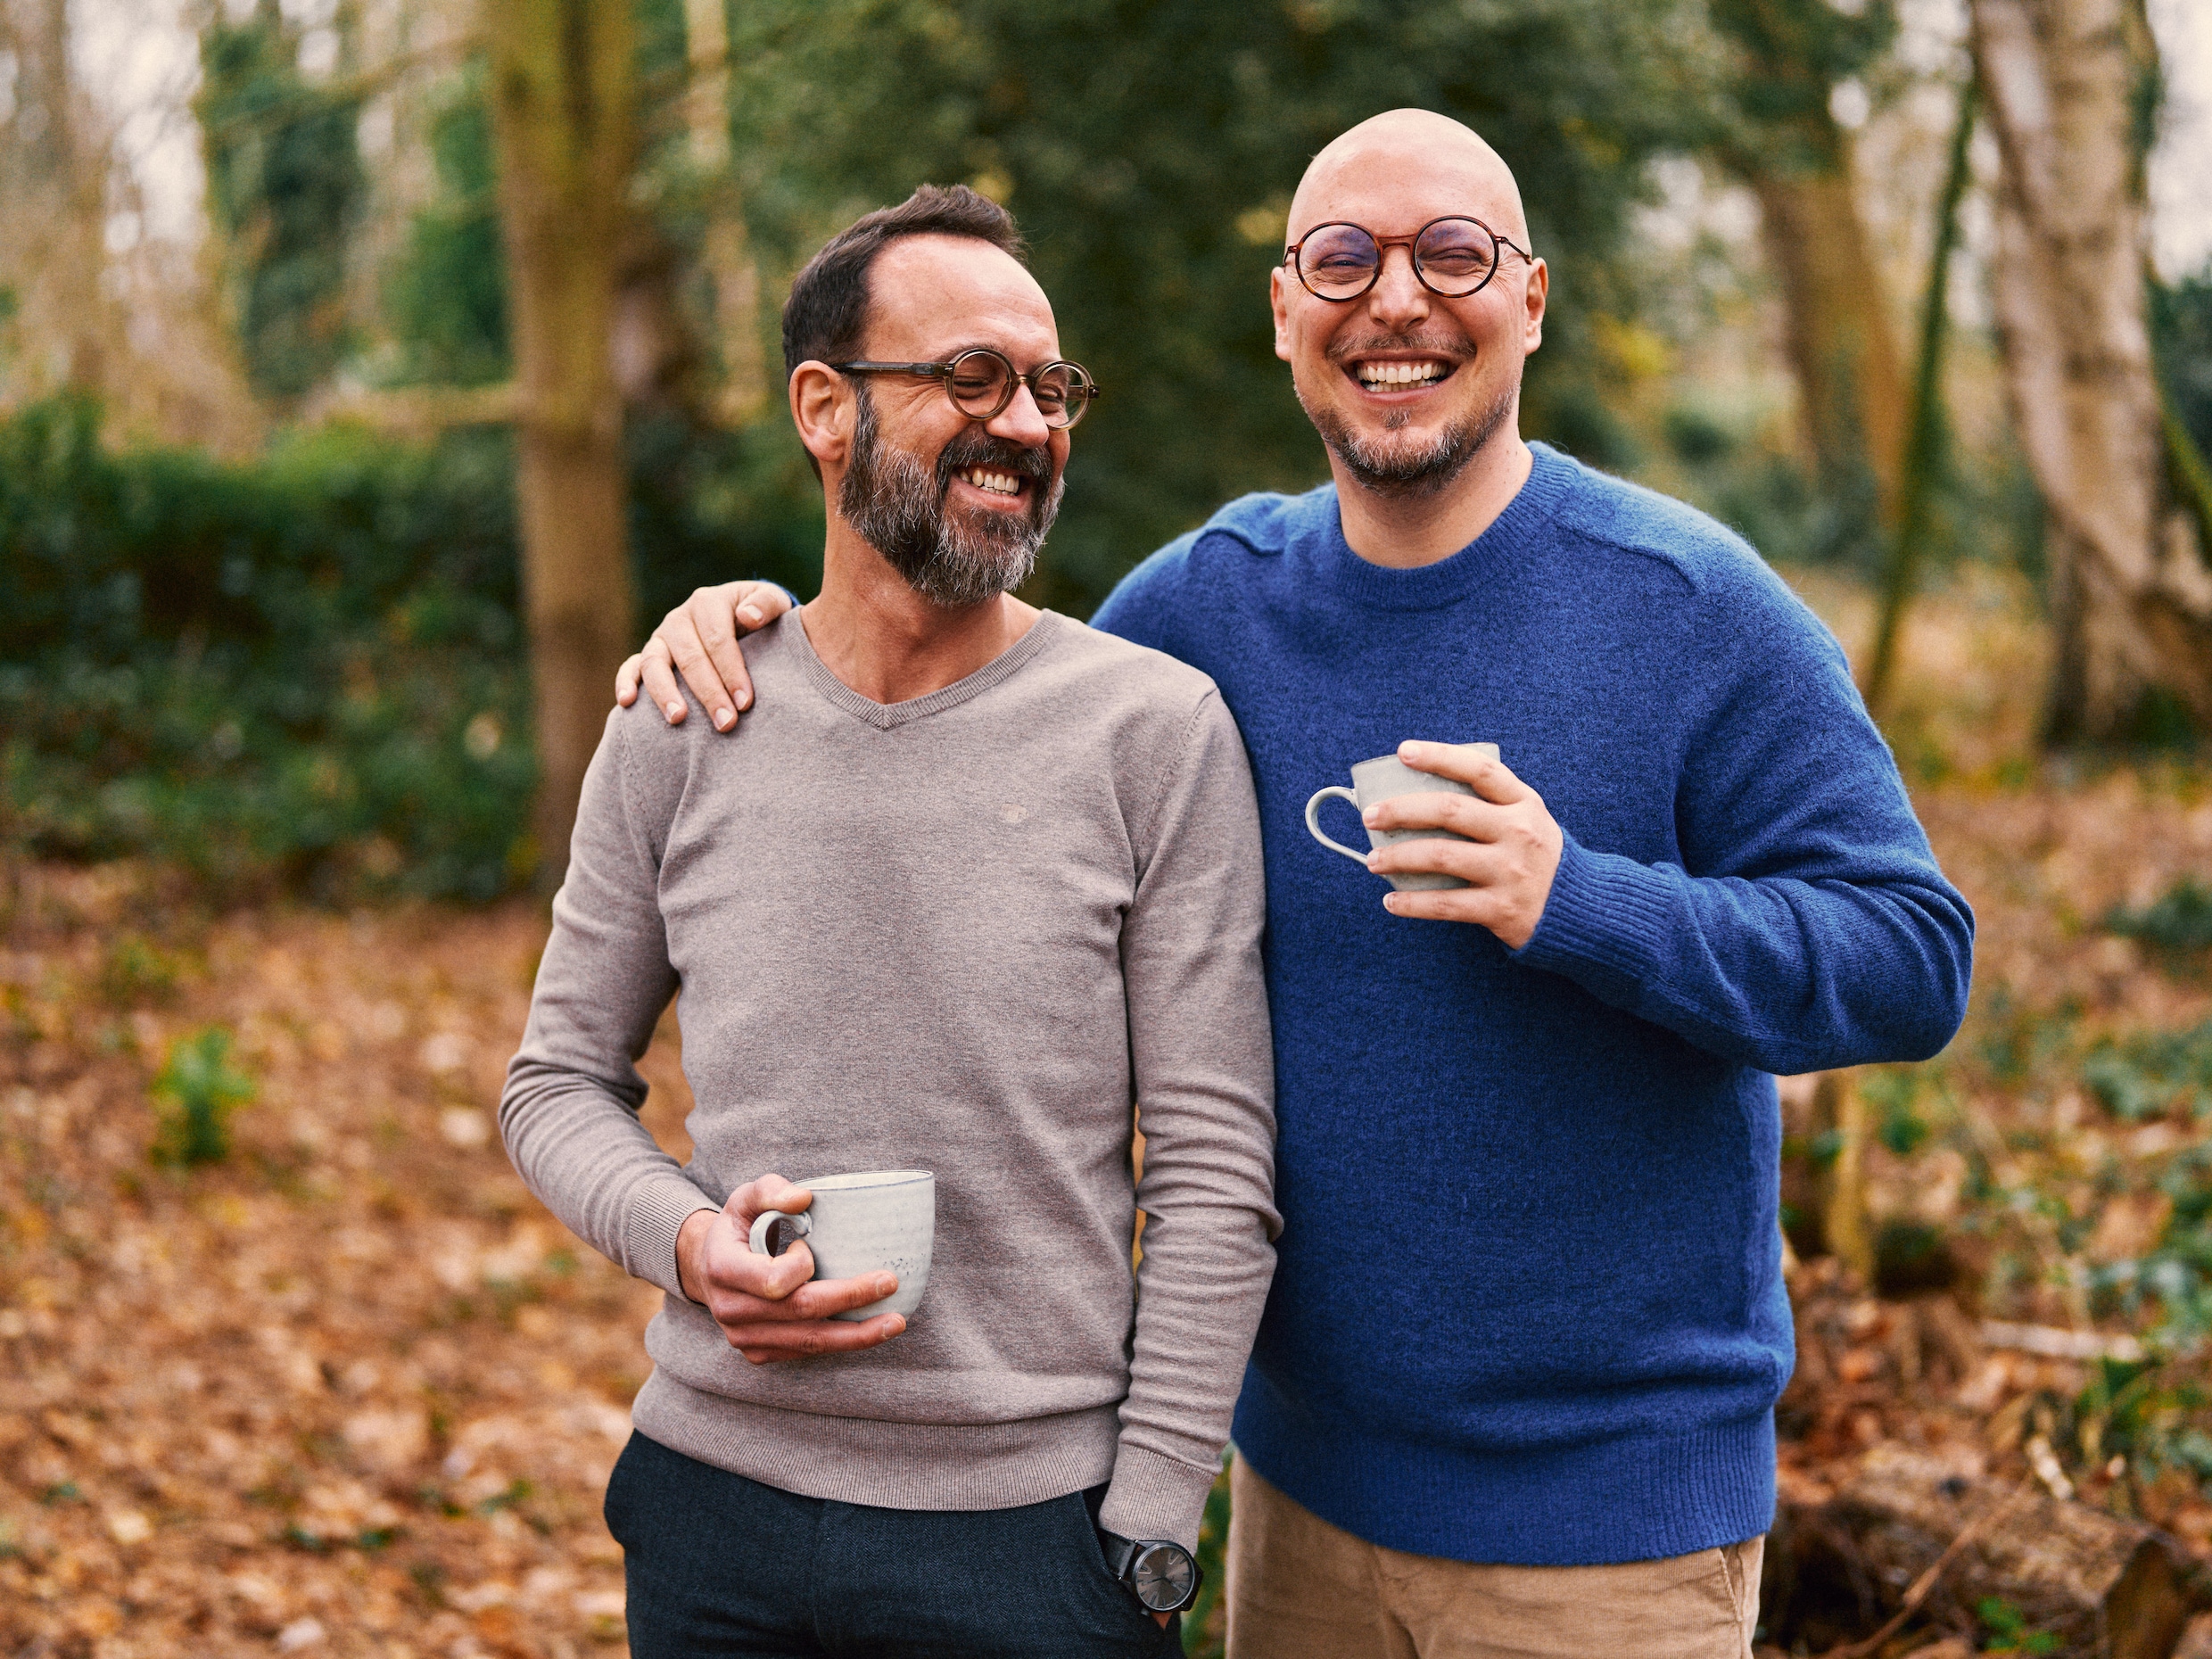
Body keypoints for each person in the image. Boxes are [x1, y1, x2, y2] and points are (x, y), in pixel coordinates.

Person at [616, 112, 1975, 1658]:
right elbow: (957, 657)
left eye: (1452, 254)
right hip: (1300, 1508)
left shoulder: (1689, 605)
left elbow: (1916, 956)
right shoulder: (1205, 612)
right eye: (1343, 259)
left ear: (1531, 300)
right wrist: (745, 629)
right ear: (1284, 317)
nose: (1395, 300)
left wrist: (1579, 899)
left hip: (1606, 1535)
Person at [505, 183, 1279, 1659]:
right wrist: (684, 1242)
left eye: (1051, 389)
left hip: (1039, 1543)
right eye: (970, 379)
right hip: (712, 1512)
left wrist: (1153, 1521)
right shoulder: (684, 713)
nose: (1031, 425)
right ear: (823, 406)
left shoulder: (1151, 731)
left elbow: (1214, 1164)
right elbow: (553, 1087)